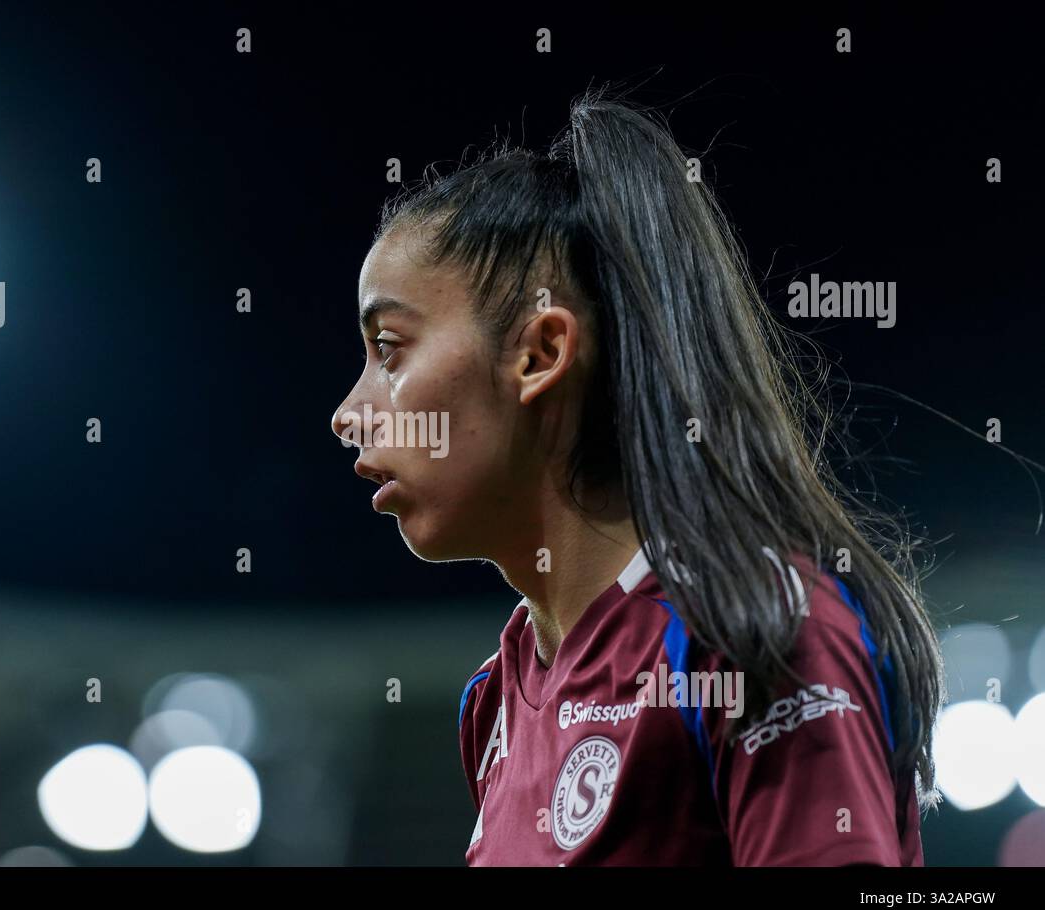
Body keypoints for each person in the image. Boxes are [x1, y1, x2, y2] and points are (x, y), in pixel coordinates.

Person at [330, 88, 943, 865]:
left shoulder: (758, 632)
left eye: (388, 347)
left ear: (540, 355)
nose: (350, 412)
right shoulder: (495, 700)